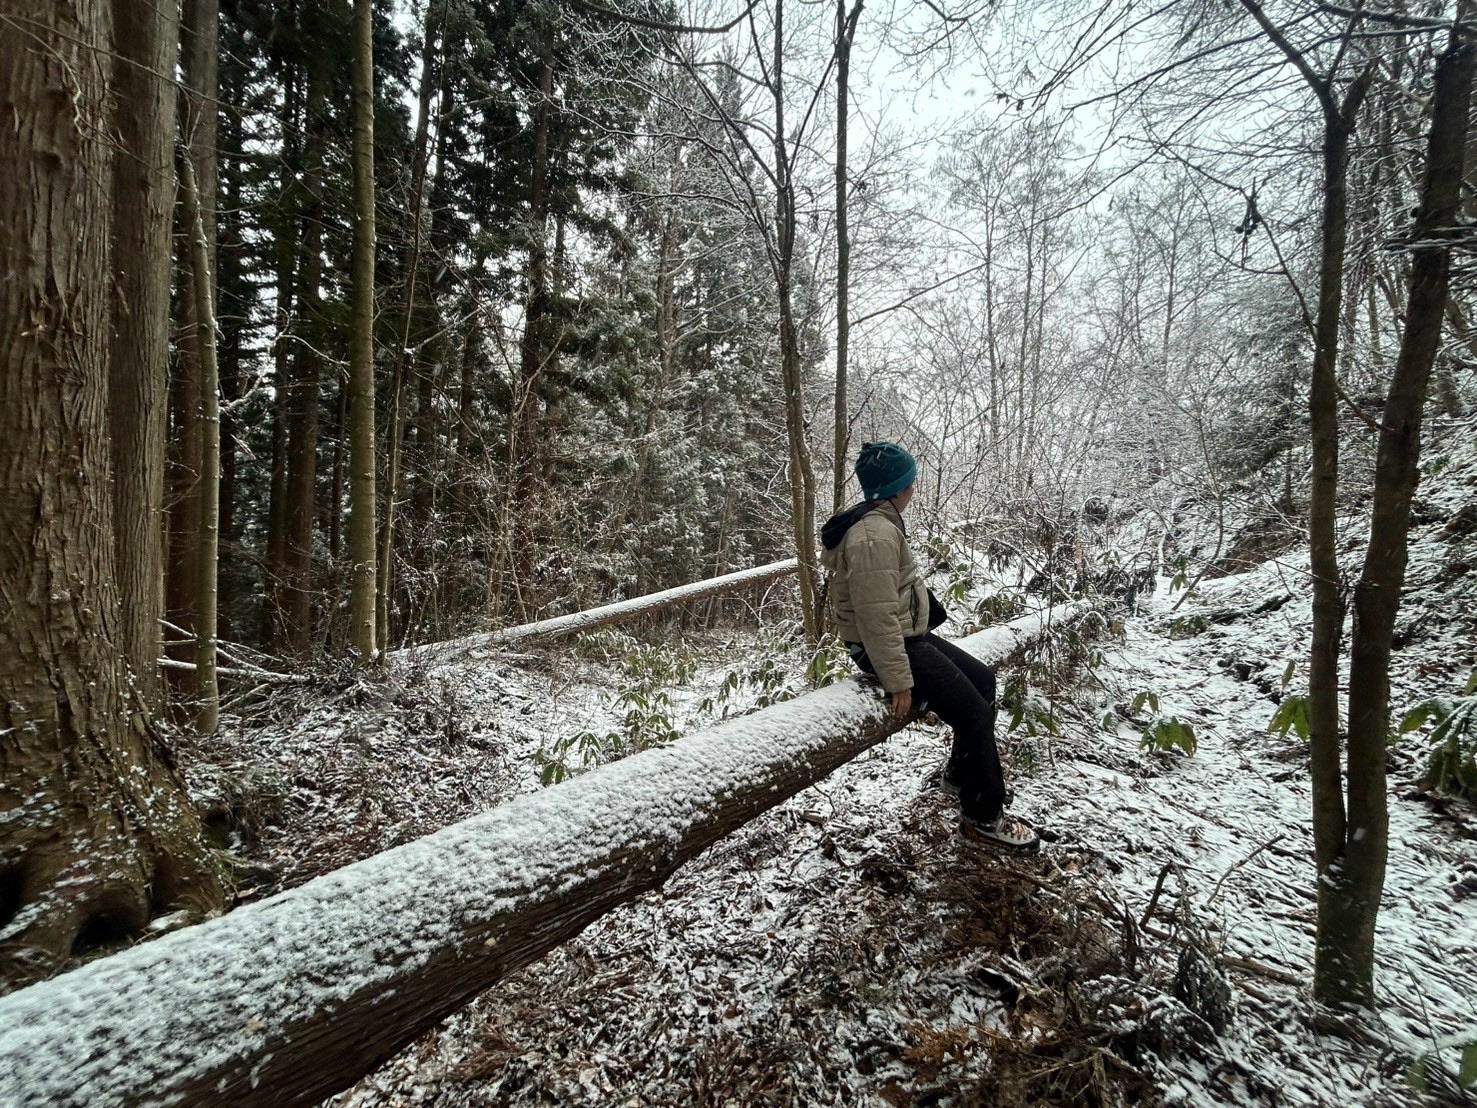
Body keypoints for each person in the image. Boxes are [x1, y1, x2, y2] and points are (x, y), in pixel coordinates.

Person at [820, 442, 1040, 851]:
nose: (913, 489)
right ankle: (983, 815)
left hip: (905, 636)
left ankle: (959, 776)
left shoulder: (880, 523)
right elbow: (875, 616)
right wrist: (898, 681)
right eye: (910, 482)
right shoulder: (873, 535)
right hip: (885, 645)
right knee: (974, 714)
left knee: (982, 680)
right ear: (895, 488)